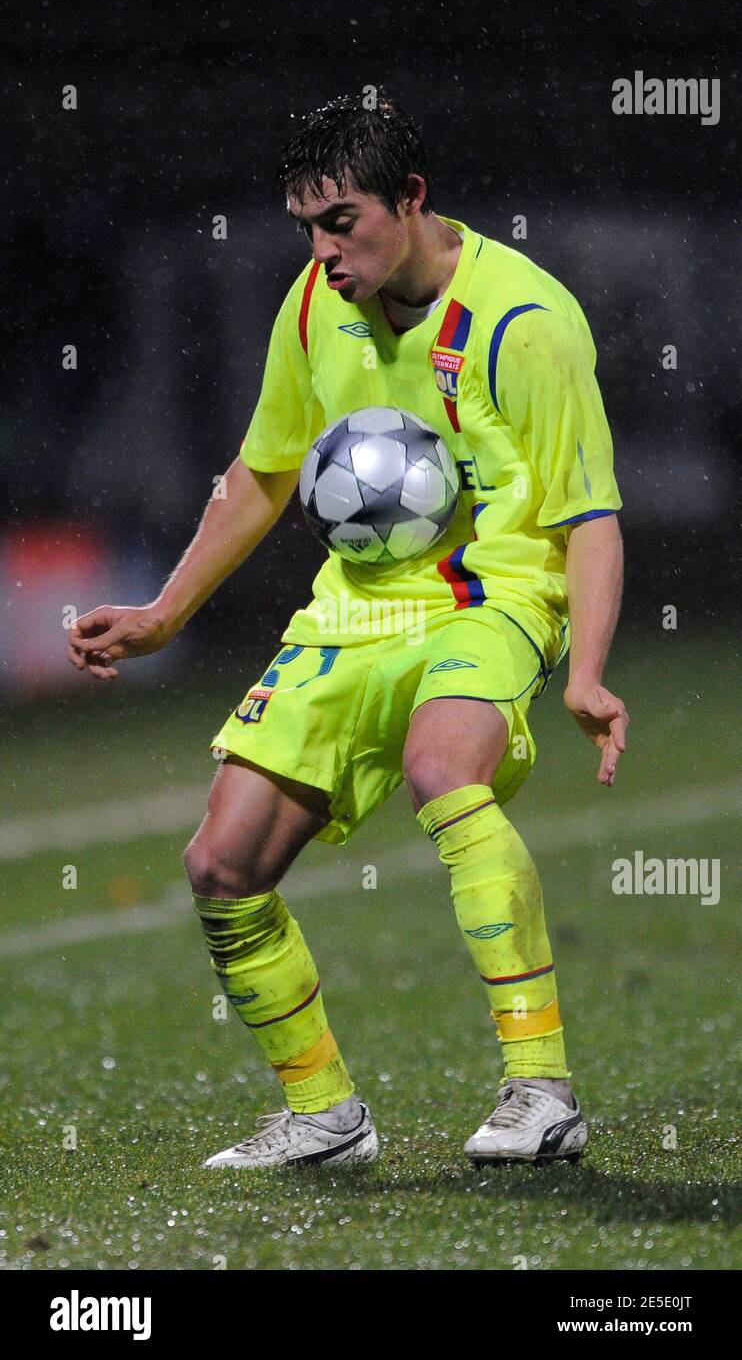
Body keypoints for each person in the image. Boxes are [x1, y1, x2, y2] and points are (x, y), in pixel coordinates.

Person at [68, 93, 628, 1170]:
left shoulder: (528, 322)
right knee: (221, 863)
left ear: (411, 201)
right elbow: (263, 470)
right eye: (305, 227)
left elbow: (589, 517)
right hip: (355, 605)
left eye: (343, 223)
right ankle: (323, 1116)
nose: (323, 252)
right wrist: (162, 612)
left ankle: (538, 1086)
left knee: (441, 767)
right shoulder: (314, 305)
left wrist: (588, 671)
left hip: (490, 593)